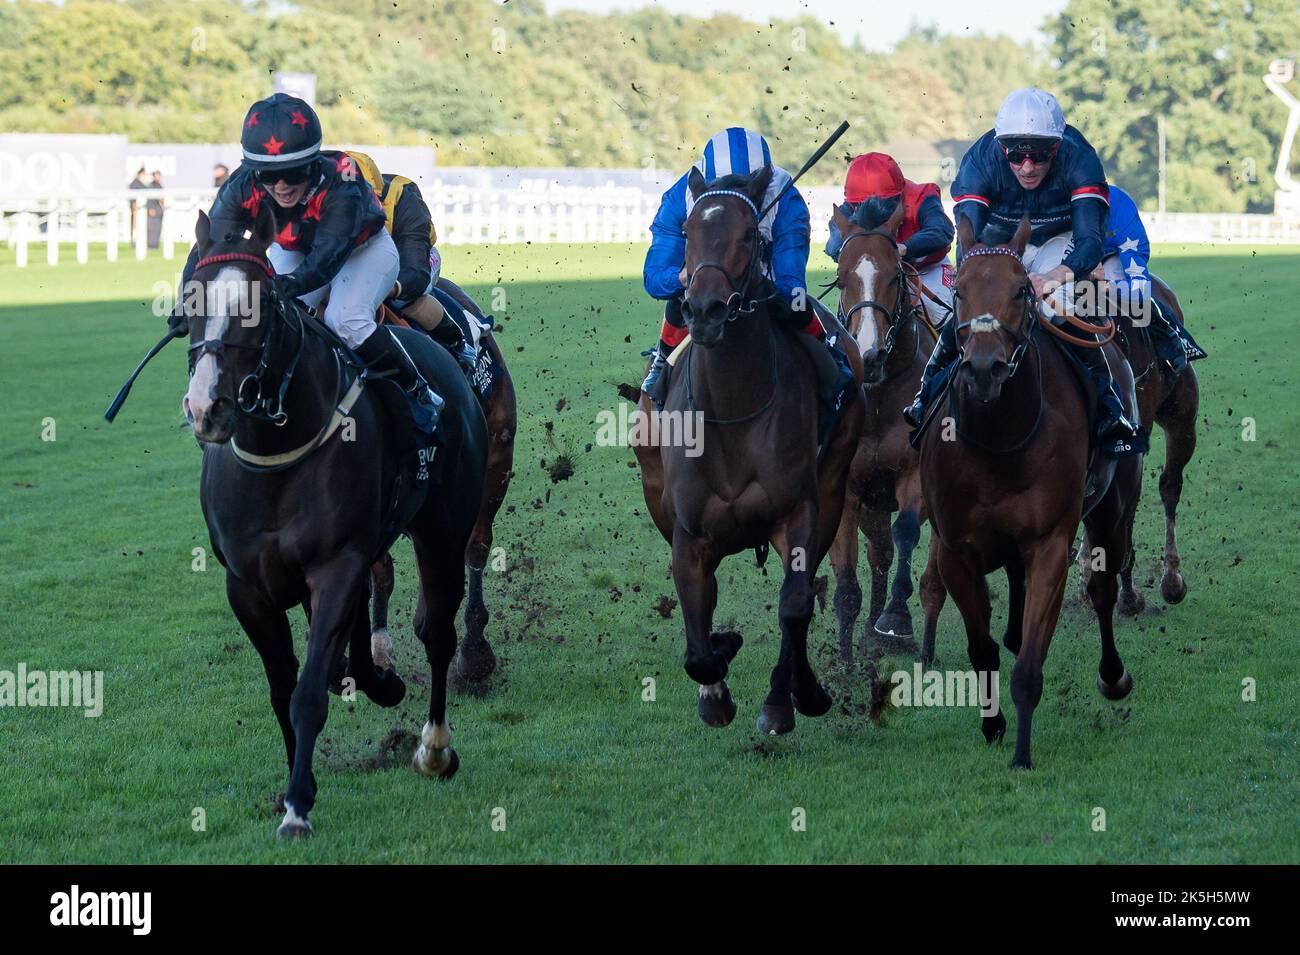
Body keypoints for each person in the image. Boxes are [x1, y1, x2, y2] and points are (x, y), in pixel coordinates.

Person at [177, 92, 441, 434]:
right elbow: (208, 250)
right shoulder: (241, 184)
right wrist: (189, 300)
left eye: (292, 172)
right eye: (269, 176)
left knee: (345, 319)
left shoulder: (342, 180)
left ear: (313, 162)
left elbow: (325, 261)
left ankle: (417, 391)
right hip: (297, 248)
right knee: (275, 320)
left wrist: (279, 287)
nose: (282, 185)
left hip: (363, 250)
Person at [904, 87, 1142, 456]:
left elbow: (1090, 243)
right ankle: (926, 394)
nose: (1027, 166)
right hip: (999, 242)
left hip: (1058, 240)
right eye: (1016, 154)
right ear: (1001, 148)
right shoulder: (980, 162)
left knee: (1060, 304)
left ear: (1057, 147)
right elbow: (969, 241)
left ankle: (1109, 409)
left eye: (1039, 154)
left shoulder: (1081, 159)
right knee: (972, 307)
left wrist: (1053, 277)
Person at [640, 126, 852, 409]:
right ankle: (661, 360)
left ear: (763, 182)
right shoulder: (681, 195)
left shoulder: (785, 197)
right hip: (704, 282)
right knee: (682, 299)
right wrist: (684, 277)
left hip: (764, 281)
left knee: (798, 303)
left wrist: (767, 287)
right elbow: (654, 278)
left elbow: (791, 280)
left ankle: (829, 359)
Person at [341, 152, 477, 375]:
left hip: (413, 260)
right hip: (356, 265)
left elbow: (415, 272)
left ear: (375, 196)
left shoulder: (403, 201)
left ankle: (459, 346)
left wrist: (390, 288)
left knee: (405, 299)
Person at [825, 152, 955, 323]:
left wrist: (904, 247)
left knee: (940, 316)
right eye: (862, 205)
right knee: (849, 317)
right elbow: (833, 247)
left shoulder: (922, 197)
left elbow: (942, 231)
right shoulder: (849, 208)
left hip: (927, 269)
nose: (871, 210)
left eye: (880, 204)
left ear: (899, 195)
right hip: (880, 273)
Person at [1090, 184, 1198, 373]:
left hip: (1111, 259)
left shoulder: (1117, 202)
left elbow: (1138, 290)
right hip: (1071, 261)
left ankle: (1170, 339)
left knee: (1116, 287)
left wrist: (1107, 286)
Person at [146, 170, 164, 249]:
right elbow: (148, 198)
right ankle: (151, 245)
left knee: (158, 229)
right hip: (152, 211)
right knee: (151, 229)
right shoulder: (150, 186)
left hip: (159, 211)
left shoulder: (160, 186)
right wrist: (150, 208)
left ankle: (155, 245)